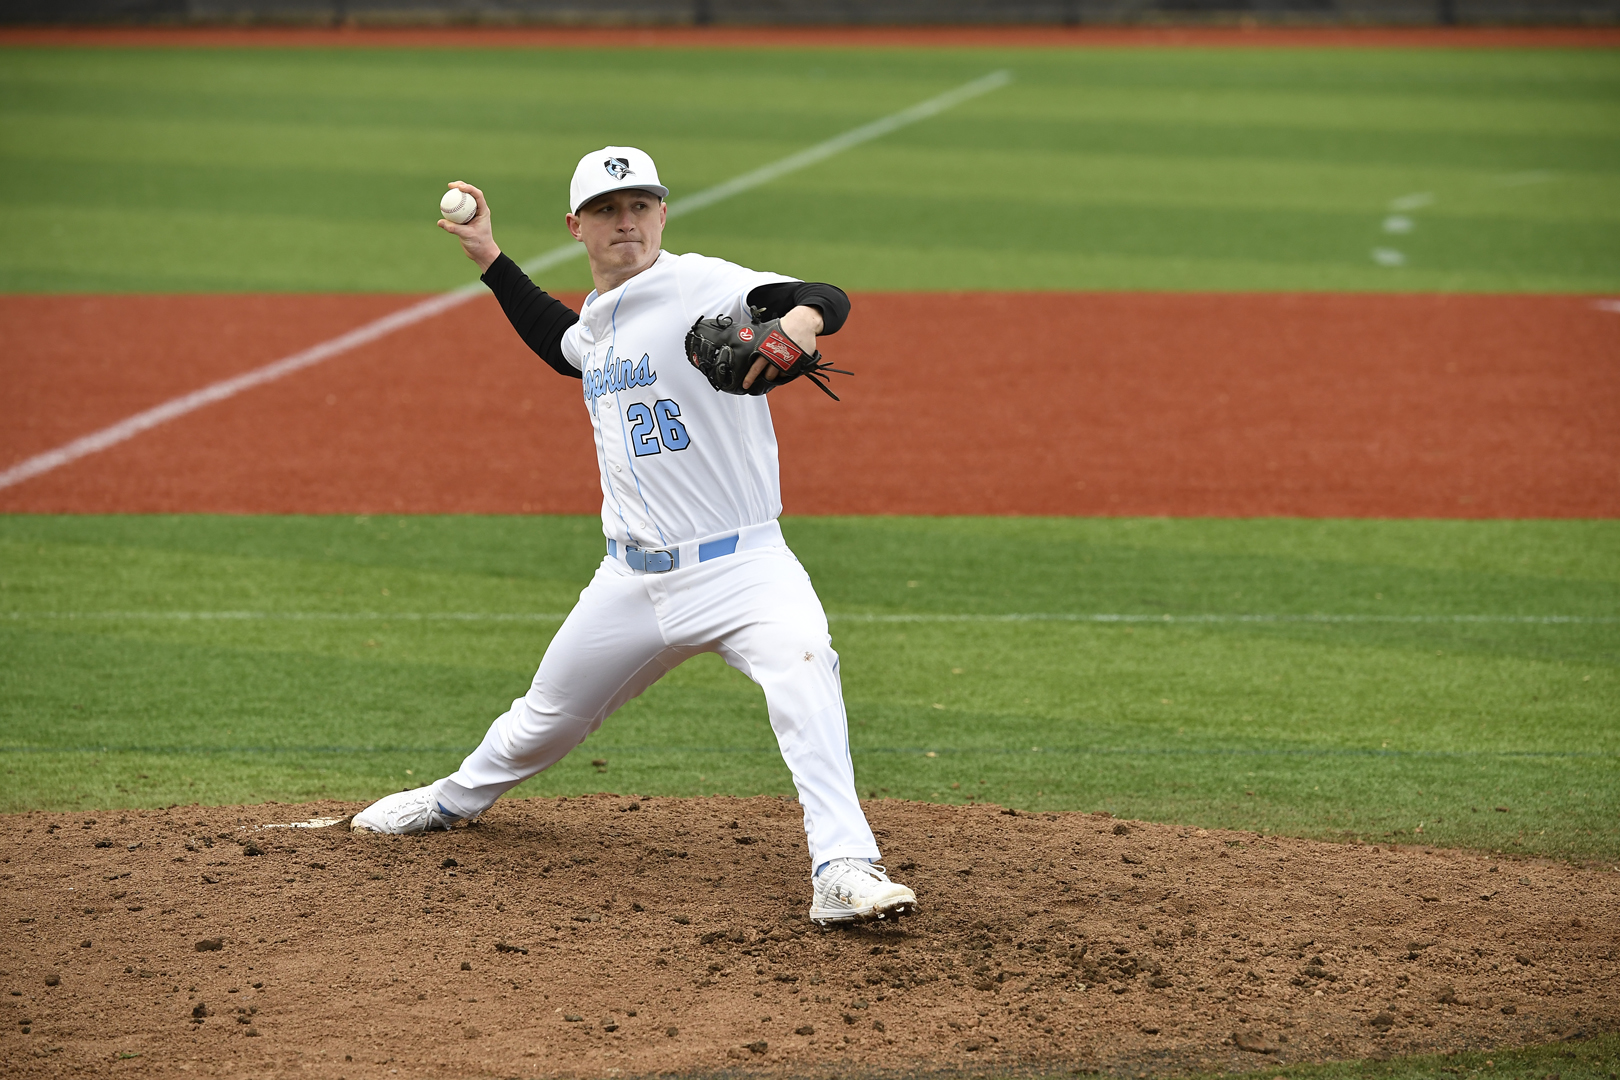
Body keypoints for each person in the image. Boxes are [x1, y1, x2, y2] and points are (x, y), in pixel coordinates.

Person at [350, 146, 917, 926]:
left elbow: (824, 294)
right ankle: (450, 800)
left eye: (642, 206)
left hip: (746, 565)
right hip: (631, 582)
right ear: (577, 227)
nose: (628, 222)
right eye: (610, 211)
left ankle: (843, 866)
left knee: (804, 665)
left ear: (661, 214)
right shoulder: (599, 319)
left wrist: (795, 326)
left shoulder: (697, 283)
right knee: (542, 721)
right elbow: (563, 348)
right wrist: (489, 256)